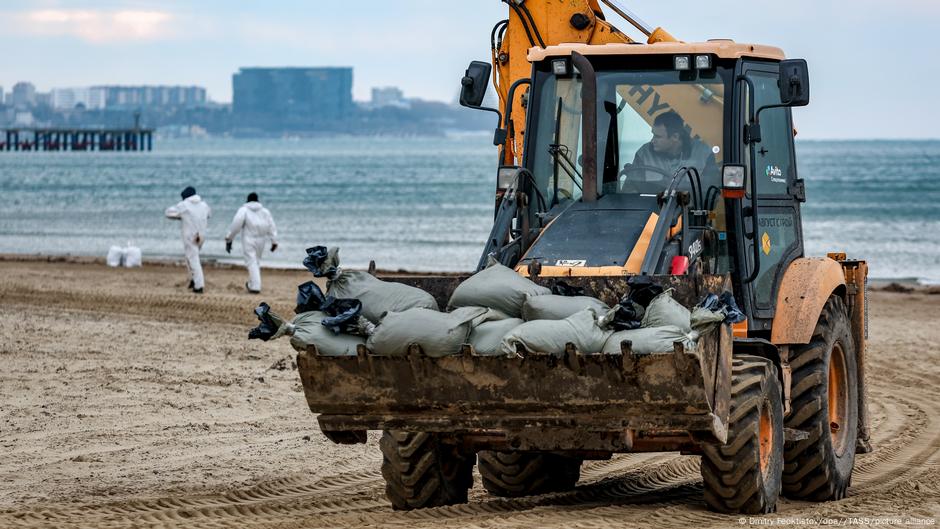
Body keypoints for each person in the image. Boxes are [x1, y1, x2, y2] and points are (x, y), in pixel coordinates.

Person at [626, 111, 718, 188]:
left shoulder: (703, 154)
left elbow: (712, 193)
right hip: (652, 208)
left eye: (657, 137)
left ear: (675, 137)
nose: (652, 140)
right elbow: (629, 190)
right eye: (653, 134)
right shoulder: (644, 153)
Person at [225, 192, 278, 294]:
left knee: (251, 262)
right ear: (257, 200)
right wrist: (274, 241)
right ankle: (253, 283)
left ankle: (255, 286)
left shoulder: (244, 210)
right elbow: (271, 226)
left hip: (249, 239)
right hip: (262, 240)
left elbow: (236, 225)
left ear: (248, 200)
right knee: (256, 261)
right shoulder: (265, 212)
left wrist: (229, 238)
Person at [165, 186, 211, 294]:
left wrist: (180, 216)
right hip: (201, 236)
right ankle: (193, 280)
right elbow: (209, 214)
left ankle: (199, 286)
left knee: (193, 259)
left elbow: (168, 213)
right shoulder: (204, 205)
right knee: (190, 258)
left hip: (190, 237)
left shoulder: (184, 205)